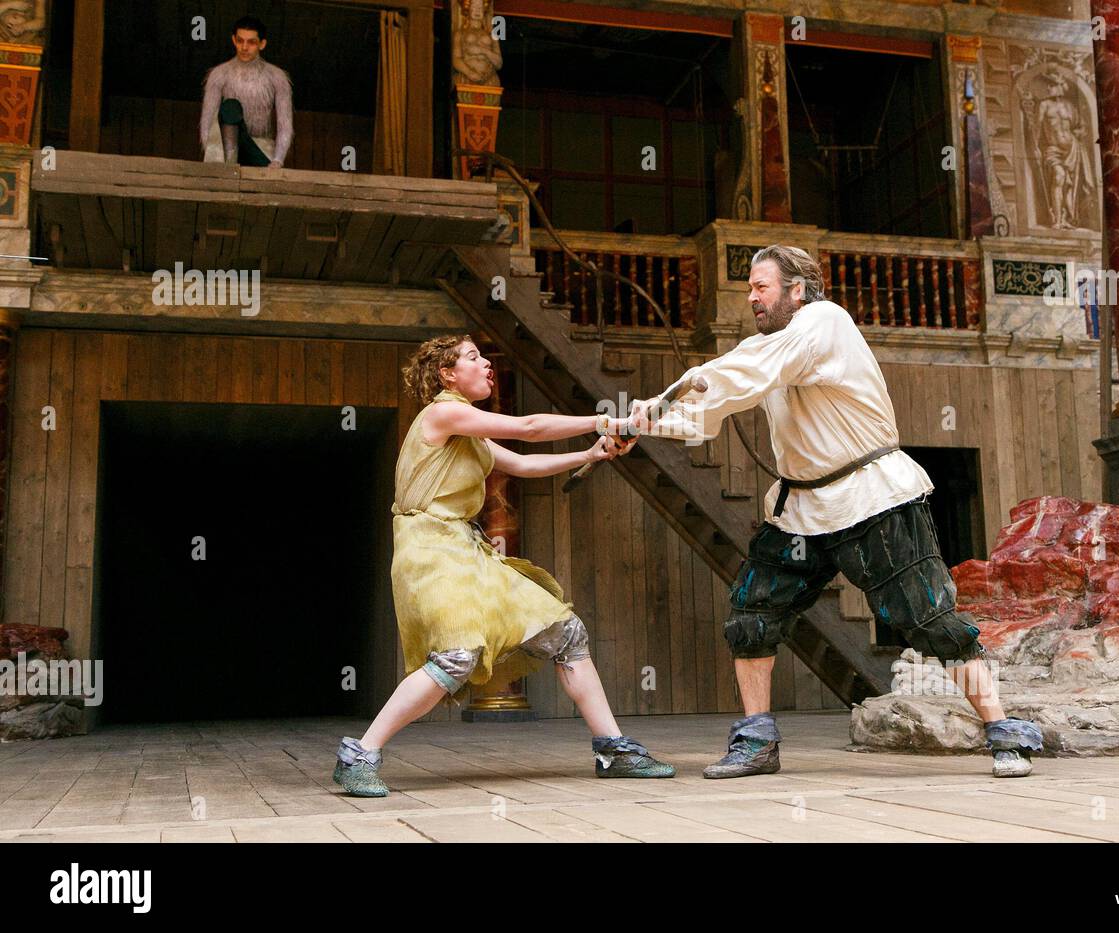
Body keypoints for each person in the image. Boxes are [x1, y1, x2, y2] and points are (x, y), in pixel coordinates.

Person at [629, 245, 1044, 780]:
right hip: (799, 507)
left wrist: (666, 395)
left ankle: (1001, 729)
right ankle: (756, 739)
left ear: (796, 290)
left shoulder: (825, 322)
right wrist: (642, 424)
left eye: (762, 286)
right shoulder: (770, 349)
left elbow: (740, 374)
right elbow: (714, 407)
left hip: (872, 497)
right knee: (752, 614)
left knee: (929, 618)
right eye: (750, 288)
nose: (752, 297)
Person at [333, 335, 674, 796]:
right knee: (455, 658)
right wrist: (607, 419)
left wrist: (592, 452)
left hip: (464, 549)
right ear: (447, 374)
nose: (487, 364)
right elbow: (530, 426)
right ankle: (359, 755)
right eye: (473, 357)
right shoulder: (443, 413)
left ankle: (615, 751)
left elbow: (522, 463)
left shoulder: (470, 434)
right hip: (429, 550)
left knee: (565, 631)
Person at [198, 15, 293, 167]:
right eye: (240, 40)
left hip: (261, 151)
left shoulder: (277, 77)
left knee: (231, 107)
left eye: (251, 42)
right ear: (234, 40)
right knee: (230, 106)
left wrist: (278, 160)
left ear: (262, 44)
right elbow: (206, 123)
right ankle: (229, 166)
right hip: (226, 150)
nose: (244, 47)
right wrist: (213, 155)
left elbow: (285, 125)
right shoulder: (219, 74)